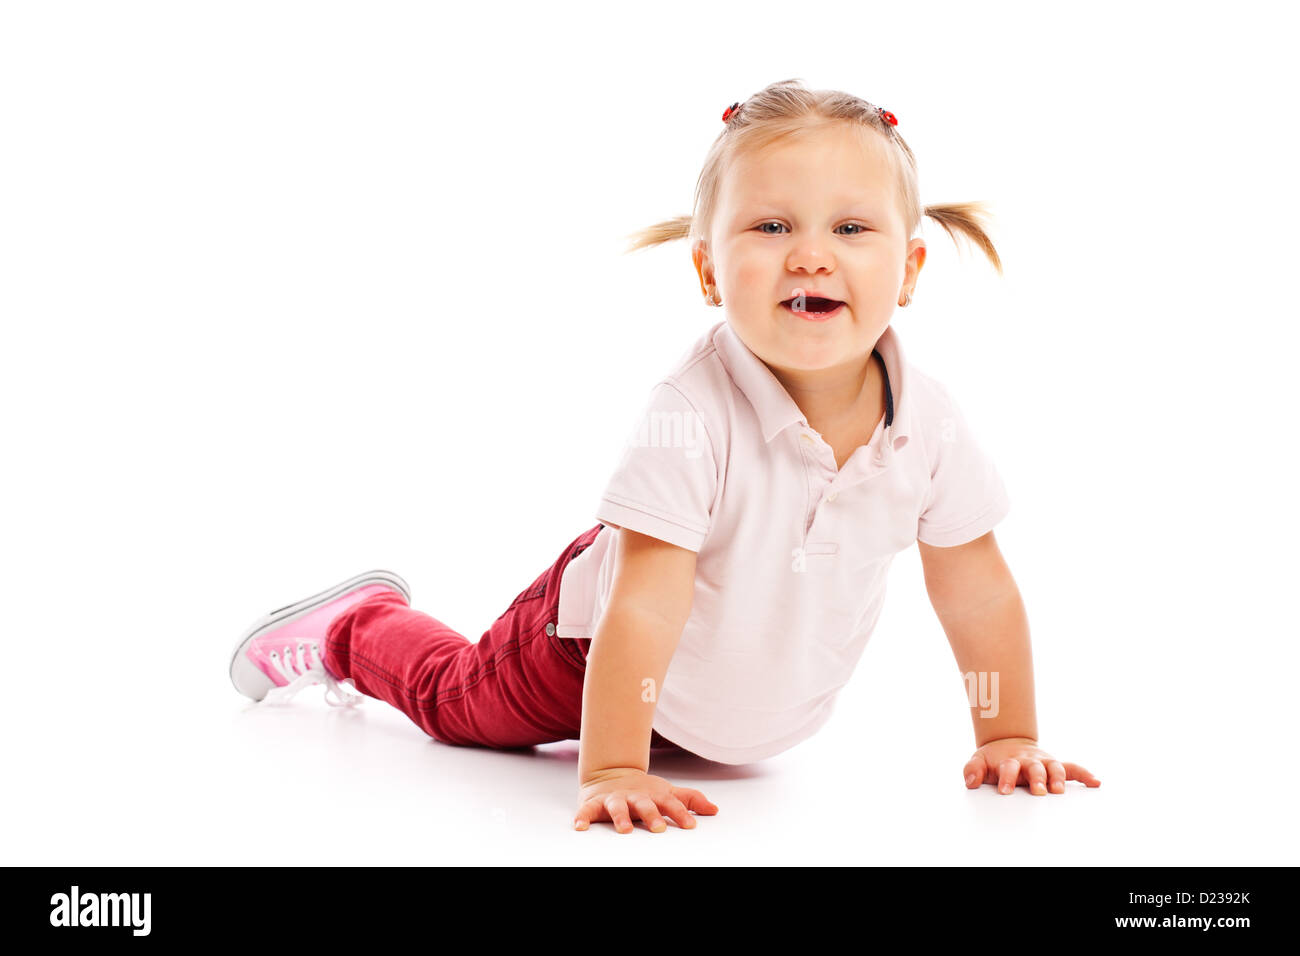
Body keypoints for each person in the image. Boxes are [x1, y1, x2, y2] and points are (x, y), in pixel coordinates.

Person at [229, 78, 1100, 835]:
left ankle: (617, 724)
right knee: (457, 705)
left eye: (850, 227)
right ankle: (355, 629)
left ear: (908, 268)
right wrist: (611, 768)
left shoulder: (929, 424)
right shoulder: (691, 412)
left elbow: (977, 588)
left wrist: (1005, 733)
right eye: (768, 224)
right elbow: (644, 604)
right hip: (586, 647)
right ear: (709, 271)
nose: (810, 253)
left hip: (703, 714)